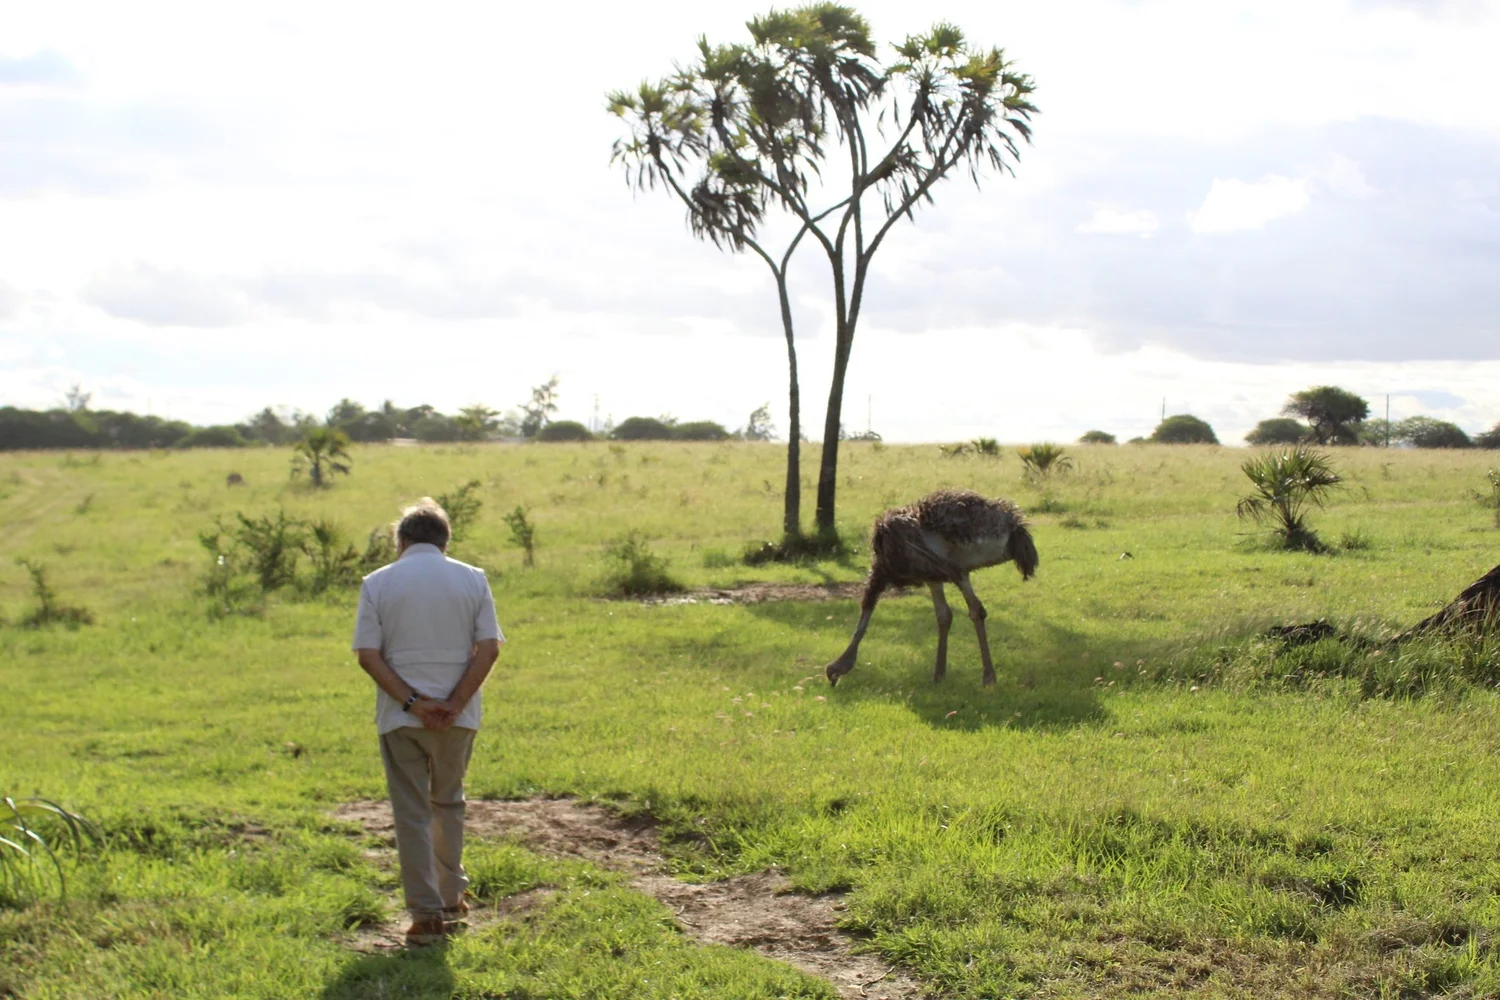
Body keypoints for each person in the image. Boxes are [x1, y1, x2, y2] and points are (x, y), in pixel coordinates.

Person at [351, 498, 503, 945]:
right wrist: (452, 703)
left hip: (401, 718)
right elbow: (489, 648)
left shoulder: (378, 582)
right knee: (448, 802)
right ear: (445, 541)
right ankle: (452, 900)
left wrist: (415, 703)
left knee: (411, 813)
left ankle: (425, 914)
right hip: (459, 716)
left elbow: (367, 655)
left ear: (400, 542)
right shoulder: (471, 578)